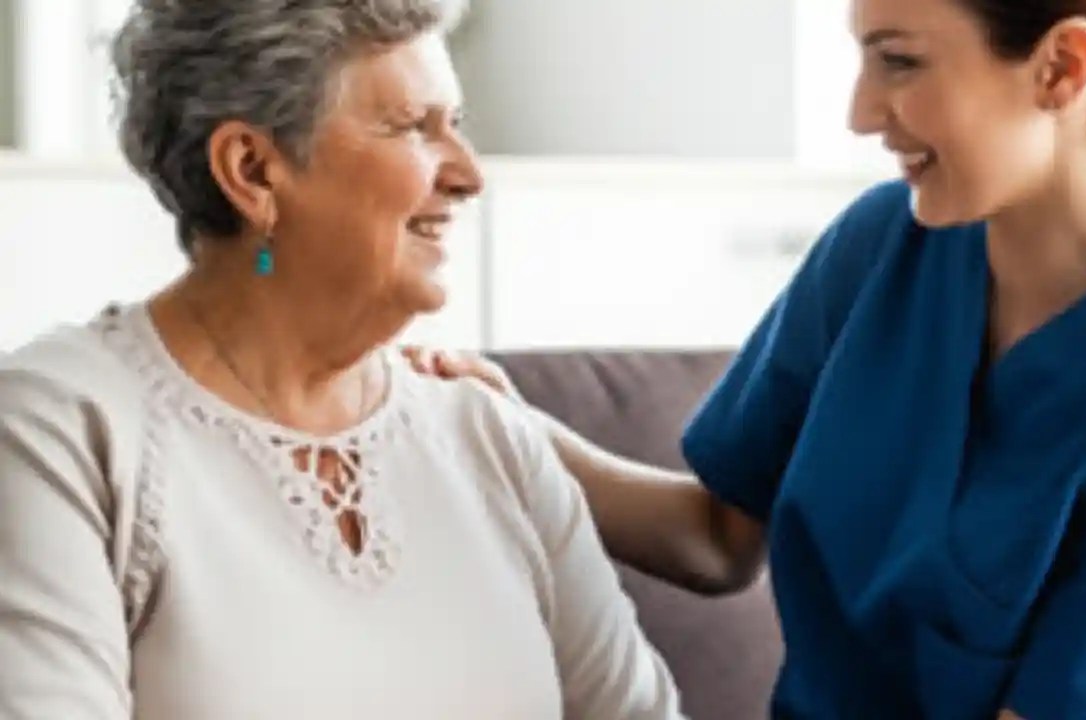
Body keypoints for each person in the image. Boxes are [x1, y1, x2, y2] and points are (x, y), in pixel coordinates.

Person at [414, 0, 1086, 717]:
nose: (860, 112)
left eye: (898, 61)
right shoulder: (883, 245)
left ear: (1061, 69)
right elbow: (719, 539)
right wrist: (506, 427)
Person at [0, 2, 683, 719]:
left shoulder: (491, 435)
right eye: (415, 127)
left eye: (458, 124)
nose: (467, 174)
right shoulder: (59, 433)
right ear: (253, 170)